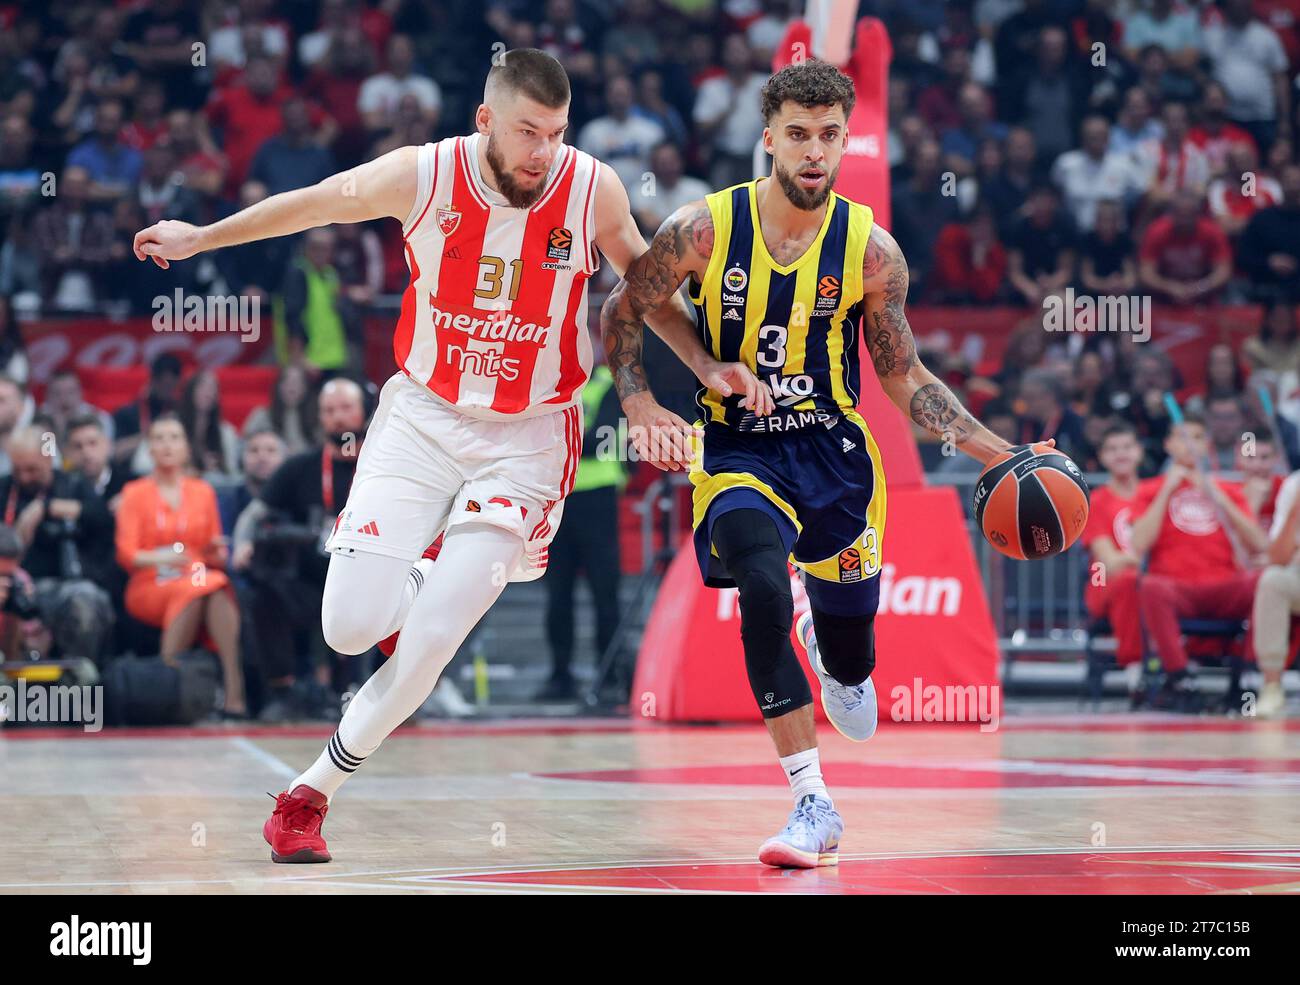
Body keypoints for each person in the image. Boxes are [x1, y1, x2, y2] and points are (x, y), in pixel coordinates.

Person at [133, 47, 765, 863]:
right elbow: (315, 205)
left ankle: (307, 796)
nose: (544, 151)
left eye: (557, 133)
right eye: (529, 132)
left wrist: (707, 364)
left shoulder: (590, 187)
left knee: (430, 639)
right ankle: (429, 572)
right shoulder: (423, 176)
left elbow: (644, 284)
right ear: (486, 121)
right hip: (423, 416)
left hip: (530, 437)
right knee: (349, 625)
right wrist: (202, 239)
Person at [601, 59, 1022, 868]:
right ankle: (812, 800)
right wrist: (642, 401)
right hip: (735, 446)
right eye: (798, 134)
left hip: (834, 453)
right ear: (768, 140)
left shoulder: (872, 253)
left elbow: (904, 376)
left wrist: (1000, 453)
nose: (814, 151)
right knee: (759, 580)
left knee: (854, 666)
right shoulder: (703, 230)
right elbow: (626, 304)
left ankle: (840, 658)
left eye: (830, 135)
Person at [1128, 415, 1269, 709]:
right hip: (1176, 589)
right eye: (1181, 437)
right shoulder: (1149, 490)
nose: (1188, 444)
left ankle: (1247, 674)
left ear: (1206, 445)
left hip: (1224, 587)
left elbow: (1258, 542)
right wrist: (1167, 490)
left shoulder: (1228, 489)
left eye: (1195, 438)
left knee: (1266, 581)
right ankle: (1180, 677)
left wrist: (1218, 496)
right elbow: (1139, 543)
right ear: (1168, 444)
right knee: (1150, 586)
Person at [115, 415, 243, 716]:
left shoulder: (203, 491)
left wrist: (215, 552)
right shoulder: (134, 493)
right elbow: (126, 554)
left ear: (186, 447)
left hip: (196, 575)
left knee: (211, 584)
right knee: (209, 586)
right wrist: (166, 558)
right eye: (159, 438)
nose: (167, 445)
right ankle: (227, 688)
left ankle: (190, 683)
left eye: (174, 437)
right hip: (150, 581)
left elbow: (213, 555)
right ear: (149, 449)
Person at [539, 355, 625, 702]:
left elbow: (597, 443)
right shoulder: (551, 387)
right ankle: (560, 675)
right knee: (557, 595)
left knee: (605, 594)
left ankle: (610, 675)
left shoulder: (609, 385)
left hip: (598, 501)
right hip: (559, 500)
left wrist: (556, 437)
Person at [0, 427, 116, 664]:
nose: (24, 477)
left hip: (67, 586)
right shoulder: (4, 489)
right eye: (17, 469)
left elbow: (103, 518)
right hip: (15, 583)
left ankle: (80, 680)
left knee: (85, 603)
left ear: (49, 458)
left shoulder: (72, 484)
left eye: (32, 469)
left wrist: (48, 508)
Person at [1080, 423, 1147, 670]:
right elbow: (1110, 562)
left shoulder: (1155, 495)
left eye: (1127, 447)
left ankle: (1188, 664)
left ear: (1139, 451)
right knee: (1130, 580)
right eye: (1113, 449)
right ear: (1102, 457)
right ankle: (1135, 668)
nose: (1121, 454)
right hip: (1104, 584)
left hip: (1148, 581)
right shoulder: (1095, 501)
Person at [1252, 466, 1300, 718]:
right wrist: (1296, 511)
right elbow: (1278, 558)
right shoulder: (1294, 485)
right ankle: (1271, 686)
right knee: (1272, 580)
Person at [242, 364, 316, 455]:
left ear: (305, 388)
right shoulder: (262, 415)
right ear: (279, 386)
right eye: (287, 382)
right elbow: (245, 446)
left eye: (297, 382)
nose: (291, 387)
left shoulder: (316, 417)